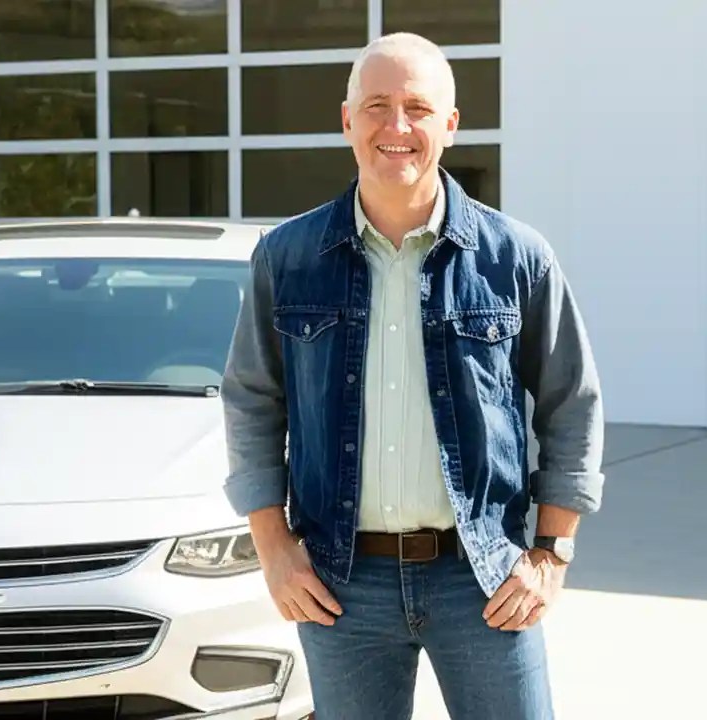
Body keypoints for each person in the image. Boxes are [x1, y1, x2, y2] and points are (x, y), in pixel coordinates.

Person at [220, 32, 605, 719]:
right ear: (347, 120)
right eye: (376, 106)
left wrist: (551, 552)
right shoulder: (286, 258)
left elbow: (571, 404)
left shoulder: (517, 258)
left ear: (450, 125)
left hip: (483, 578)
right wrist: (273, 548)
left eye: (417, 108)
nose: (396, 126)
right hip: (340, 585)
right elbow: (252, 401)